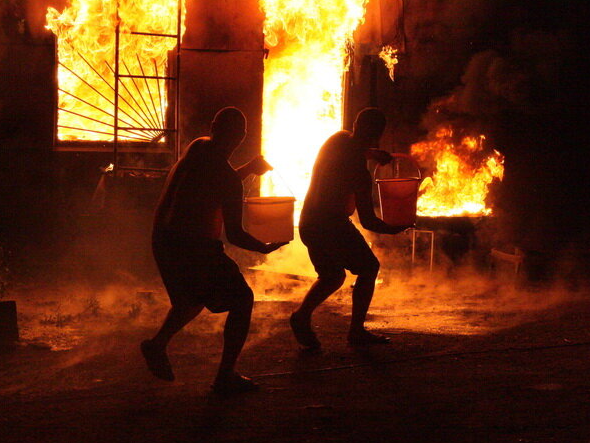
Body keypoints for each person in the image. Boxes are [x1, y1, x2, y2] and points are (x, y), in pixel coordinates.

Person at [141, 107, 285, 395]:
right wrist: (264, 247)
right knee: (242, 299)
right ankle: (225, 376)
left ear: (213, 126)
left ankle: (156, 345)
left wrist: (246, 170)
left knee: (192, 299)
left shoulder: (198, 148)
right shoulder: (228, 178)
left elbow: (216, 180)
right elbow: (235, 234)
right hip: (195, 247)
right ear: (242, 137)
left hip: (164, 239)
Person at [291, 107, 410, 349]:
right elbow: (367, 220)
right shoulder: (359, 172)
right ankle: (356, 332)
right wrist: (393, 228)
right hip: (331, 225)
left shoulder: (337, 139)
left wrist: (372, 153)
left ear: (355, 125)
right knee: (369, 267)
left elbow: (350, 149)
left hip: (309, 222)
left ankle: (301, 316)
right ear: (378, 134)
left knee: (332, 276)